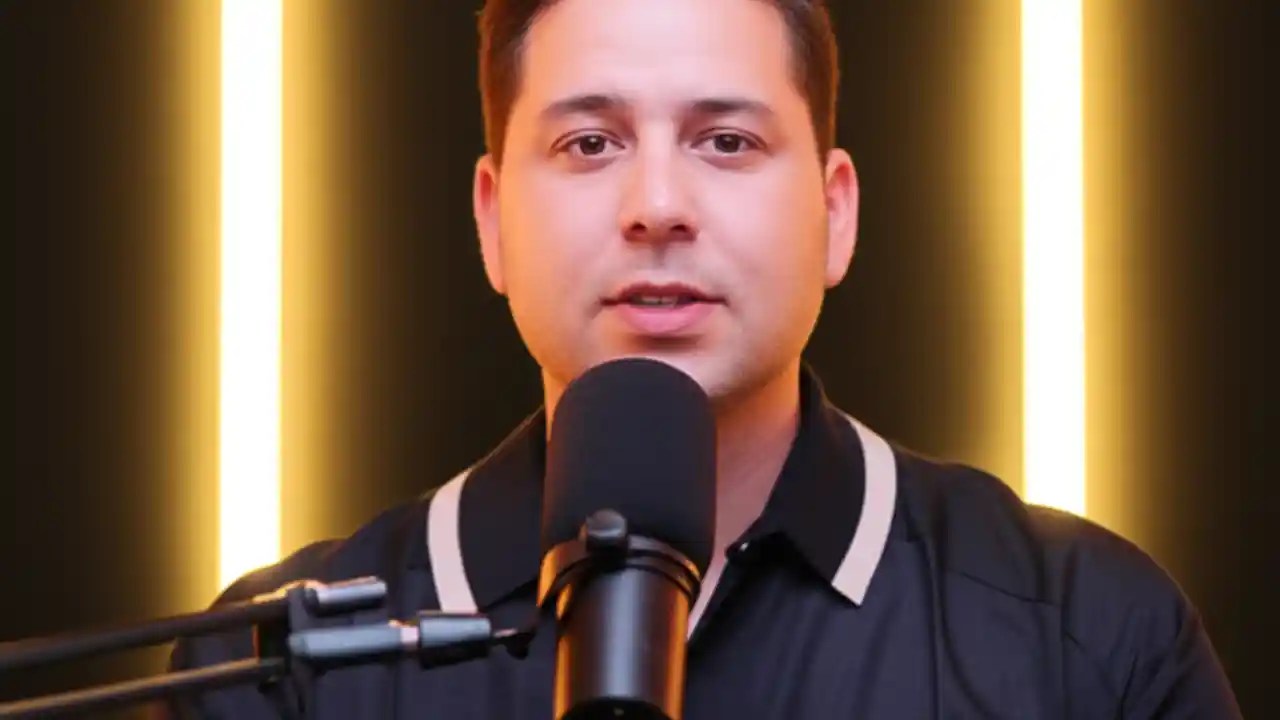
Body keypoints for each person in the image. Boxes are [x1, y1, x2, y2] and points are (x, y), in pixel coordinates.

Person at [166, 0, 1241, 717]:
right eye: (590, 143)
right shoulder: (277, 674)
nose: (658, 208)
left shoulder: (1085, 637)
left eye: (725, 141)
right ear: (491, 222)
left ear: (832, 213)